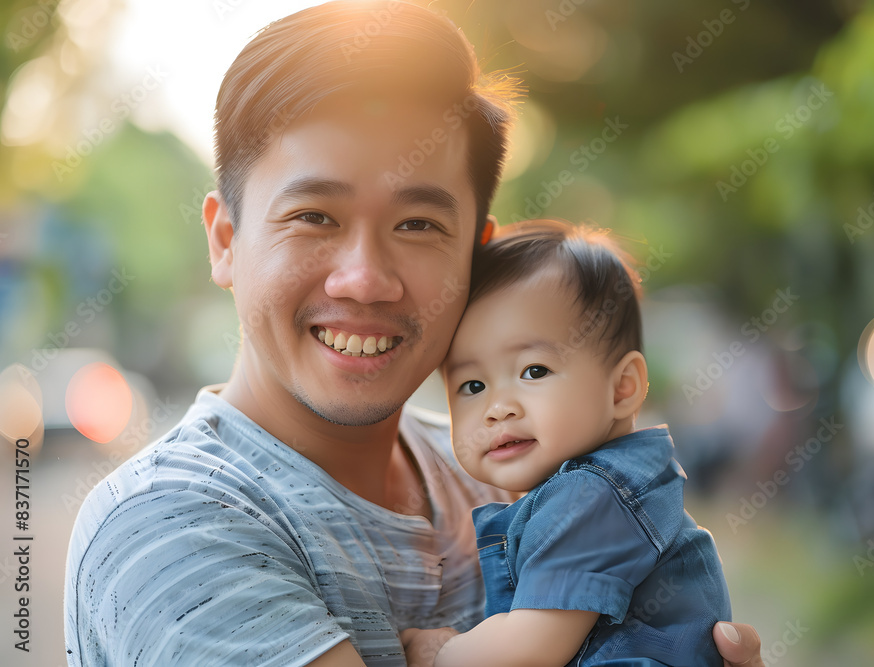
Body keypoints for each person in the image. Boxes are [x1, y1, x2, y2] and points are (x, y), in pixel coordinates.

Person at [62, 2, 764, 666]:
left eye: (418, 225)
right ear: (225, 239)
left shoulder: (506, 473)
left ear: (476, 259)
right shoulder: (174, 526)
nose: (364, 279)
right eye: (313, 216)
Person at [400, 220, 731, 667]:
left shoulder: (592, 495)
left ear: (622, 388)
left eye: (533, 371)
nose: (498, 408)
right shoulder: (591, 490)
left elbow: (527, 650)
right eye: (473, 385)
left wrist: (439, 653)